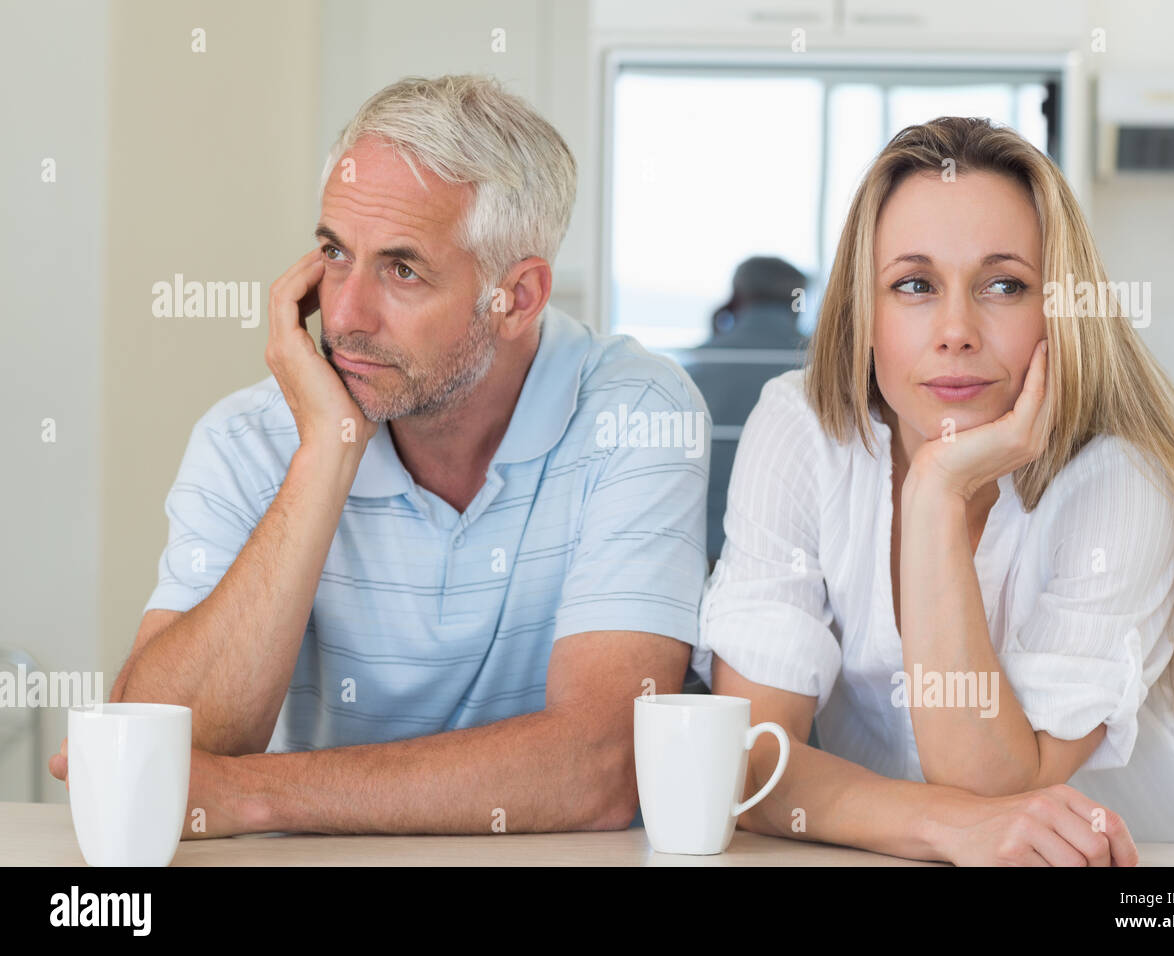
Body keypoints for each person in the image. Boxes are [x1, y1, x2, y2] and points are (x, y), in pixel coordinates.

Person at [49, 75, 709, 837]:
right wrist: (326, 460)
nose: (345, 316)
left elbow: (600, 767)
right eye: (334, 253)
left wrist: (257, 795)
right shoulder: (249, 438)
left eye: (402, 269)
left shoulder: (637, 415)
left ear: (517, 298)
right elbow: (153, 757)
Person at [691, 116, 1174, 864]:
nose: (956, 329)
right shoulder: (803, 429)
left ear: (1060, 309)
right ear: (863, 316)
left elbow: (994, 788)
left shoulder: (1124, 481)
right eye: (914, 285)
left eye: (1004, 284)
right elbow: (751, 761)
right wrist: (939, 825)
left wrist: (935, 492)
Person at [683, 257, 809, 564]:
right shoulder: (822, 367)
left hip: (705, 553)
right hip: (796, 555)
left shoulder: (694, 369)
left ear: (737, 298)